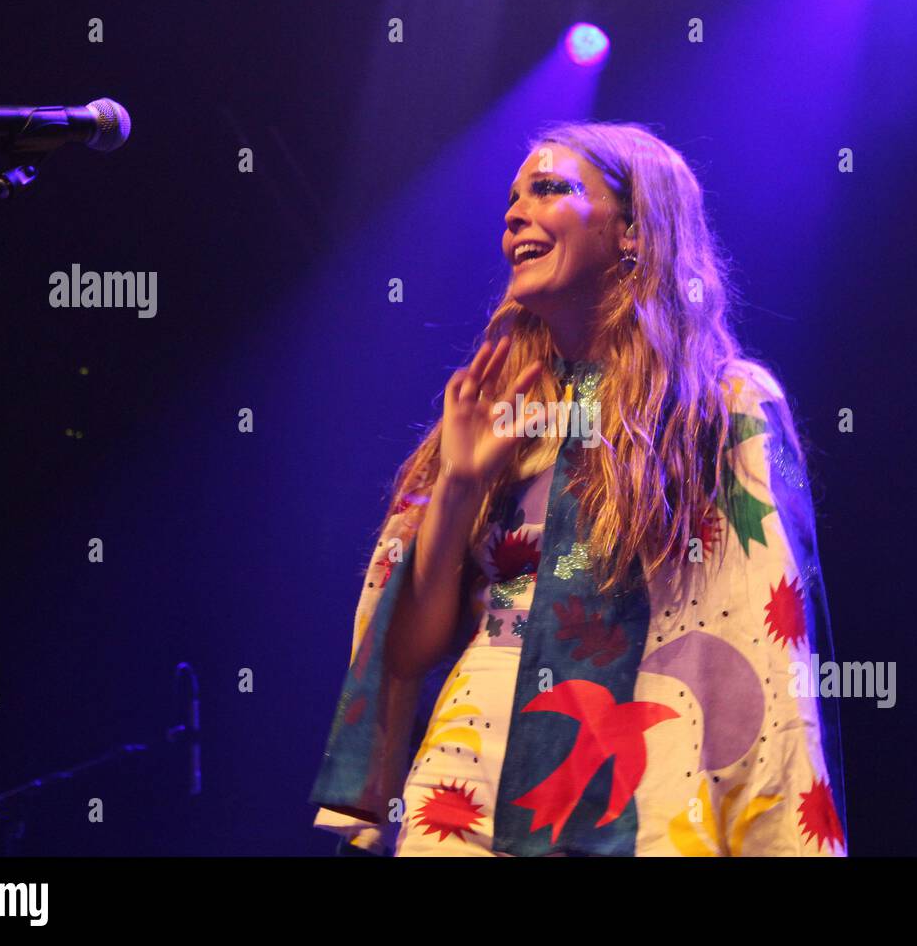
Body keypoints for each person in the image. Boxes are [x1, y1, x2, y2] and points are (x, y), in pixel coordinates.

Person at [307, 120, 847, 857]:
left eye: (550, 189)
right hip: (467, 784)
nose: (515, 214)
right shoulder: (494, 408)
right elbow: (405, 652)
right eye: (512, 199)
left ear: (633, 229)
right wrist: (461, 485)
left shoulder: (721, 406)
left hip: (645, 784)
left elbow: (765, 634)